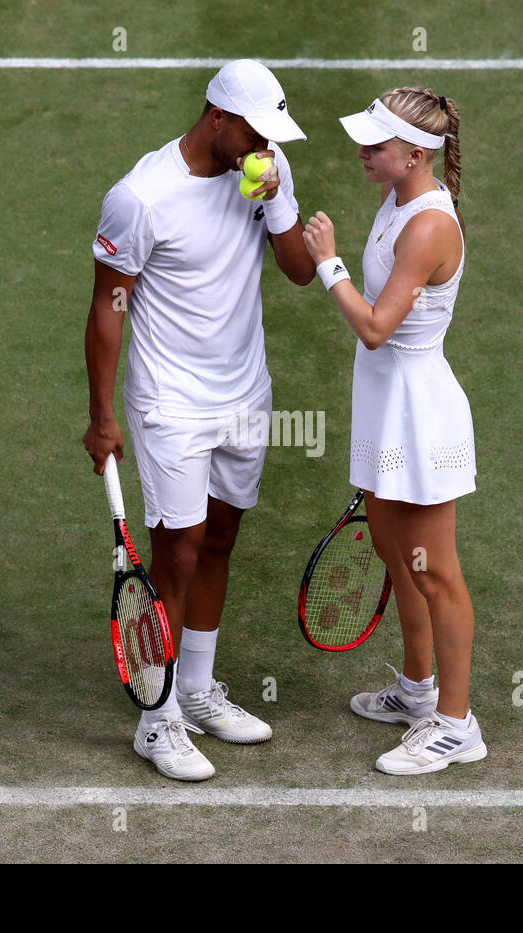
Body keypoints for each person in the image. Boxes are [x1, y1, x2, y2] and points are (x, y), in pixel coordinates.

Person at [83, 60, 316, 781]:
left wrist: (276, 200)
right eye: (255, 133)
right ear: (217, 118)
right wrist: (101, 415)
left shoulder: (262, 170)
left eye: (273, 138)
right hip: (170, 404)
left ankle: (196, 688)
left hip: (246, 394)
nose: (266, 148)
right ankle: (157, 722)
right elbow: (107, 308)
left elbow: (301, 271)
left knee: (219, 538)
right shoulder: (142, 198)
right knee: (177, 552)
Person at [303, 87, 485, 775]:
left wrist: (329, 262)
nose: (362, 152)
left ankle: (457, 724)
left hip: (420, 407)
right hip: (384, 404)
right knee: (391, 547)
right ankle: (417, 690)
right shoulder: (396, 199)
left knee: (436, 569)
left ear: (415, 155)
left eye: (375, 146)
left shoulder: (430, 226)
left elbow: (377, 328)